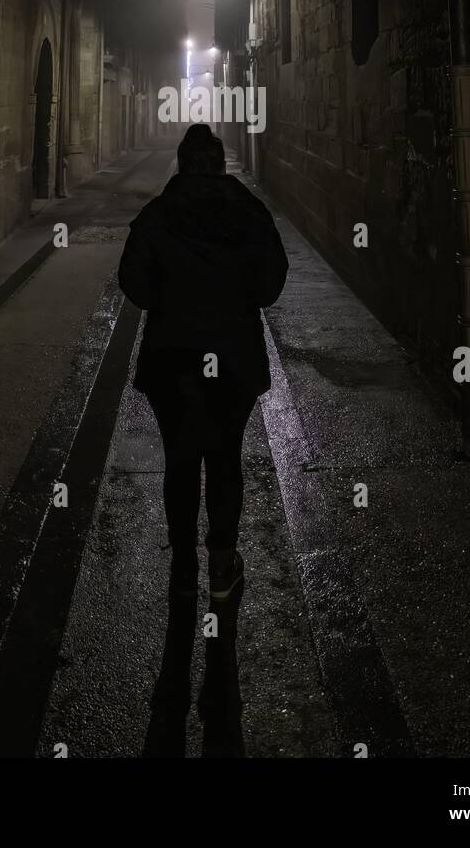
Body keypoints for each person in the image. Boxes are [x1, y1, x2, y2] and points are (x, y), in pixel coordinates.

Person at [118, 123, 288, 601]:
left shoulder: (158, 214)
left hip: (173, 358)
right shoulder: (250, 213)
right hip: (234, 359)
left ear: (182, 163)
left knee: (180, 457)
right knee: (225, 456)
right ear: (219, 164)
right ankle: (220, 563)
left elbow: (135, 283)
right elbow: (271, 285)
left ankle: (182, 561)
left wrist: (172, 300)